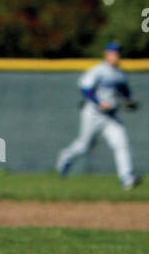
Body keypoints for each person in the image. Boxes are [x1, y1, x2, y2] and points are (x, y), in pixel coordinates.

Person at [56, 41, 141, 189]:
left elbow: (125, 93)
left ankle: (127, 178)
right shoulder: (98, 70)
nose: (116, 55)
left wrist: (130, 102)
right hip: (93, 114)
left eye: (118, 52)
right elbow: (85, 88)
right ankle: (66, 157)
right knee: (84, 146)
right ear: (106, 54)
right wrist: (98, 102)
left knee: (121, 143)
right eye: (113, 52)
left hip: (110, 117)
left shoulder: (120, 74)